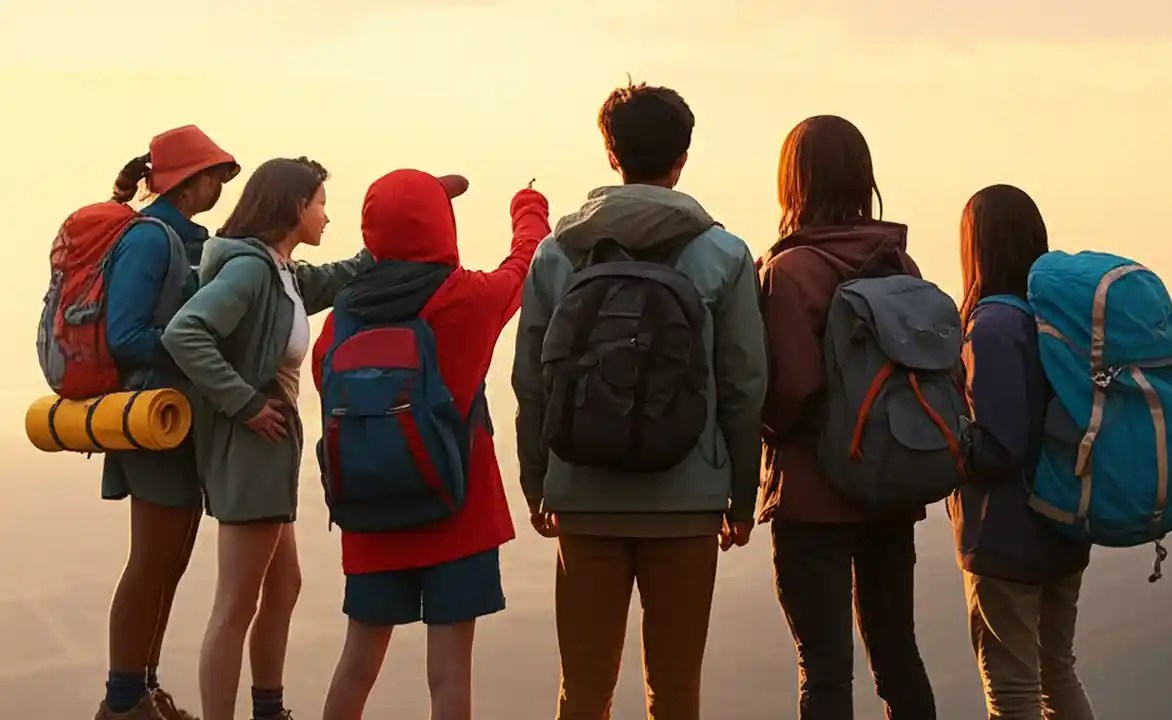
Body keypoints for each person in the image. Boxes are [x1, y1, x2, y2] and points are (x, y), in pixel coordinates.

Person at [512, 80, 768, 720]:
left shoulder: (555, 254)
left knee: (585, 690)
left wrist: (538, 483)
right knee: (676, 692)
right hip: (688, 499)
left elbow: (530, 382)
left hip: (582, 493)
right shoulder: (723, 254)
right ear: (682, 159)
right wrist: (740, 495)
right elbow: (743, 386)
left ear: (610, 154)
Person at [313, 169, 550, 720]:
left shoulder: (347, 309)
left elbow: (327, 379)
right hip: (455, 506)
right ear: (442, 227)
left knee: (357, 664)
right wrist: (528, 205)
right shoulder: (467, 300)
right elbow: (526, 264)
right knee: (448, 674)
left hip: (371, 504)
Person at [161, 157, 371, 720]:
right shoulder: (252, 270)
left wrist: (402, 224)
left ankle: (268, 709)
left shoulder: (281, 272)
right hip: (250, 448)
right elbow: (187, 332)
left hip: (269, 453)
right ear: (295, 207)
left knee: (284, 587)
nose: (327, 215)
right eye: (321, 203)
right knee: (235, 606)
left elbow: (336, 277)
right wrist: (246, 402)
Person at [756, 115, 937, 719]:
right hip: (890, 490)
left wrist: (757, 438)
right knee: (898, 656)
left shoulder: (789, 272)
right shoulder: (902, 269)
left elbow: (793, 390)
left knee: (826, 674)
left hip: (812, 500)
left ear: (793, 182)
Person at [97, 125, 239, 720]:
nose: (219, 185)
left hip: (177, 420)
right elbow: (123, 336)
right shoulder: (150, 239)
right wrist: (191, 344)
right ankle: (122, 698)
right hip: (151, 417)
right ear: (189, 180)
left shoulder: (185, 239)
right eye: (214, 175)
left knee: (172, 556)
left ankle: (145, 686)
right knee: (152, 557)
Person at [953, 184, 1094, 719]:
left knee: (1012, 691)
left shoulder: (992, 326)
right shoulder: (1060, 323)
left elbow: (999, 447)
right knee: (1058, 673)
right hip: (1066, 525)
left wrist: (947, 437)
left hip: (1006, 536)